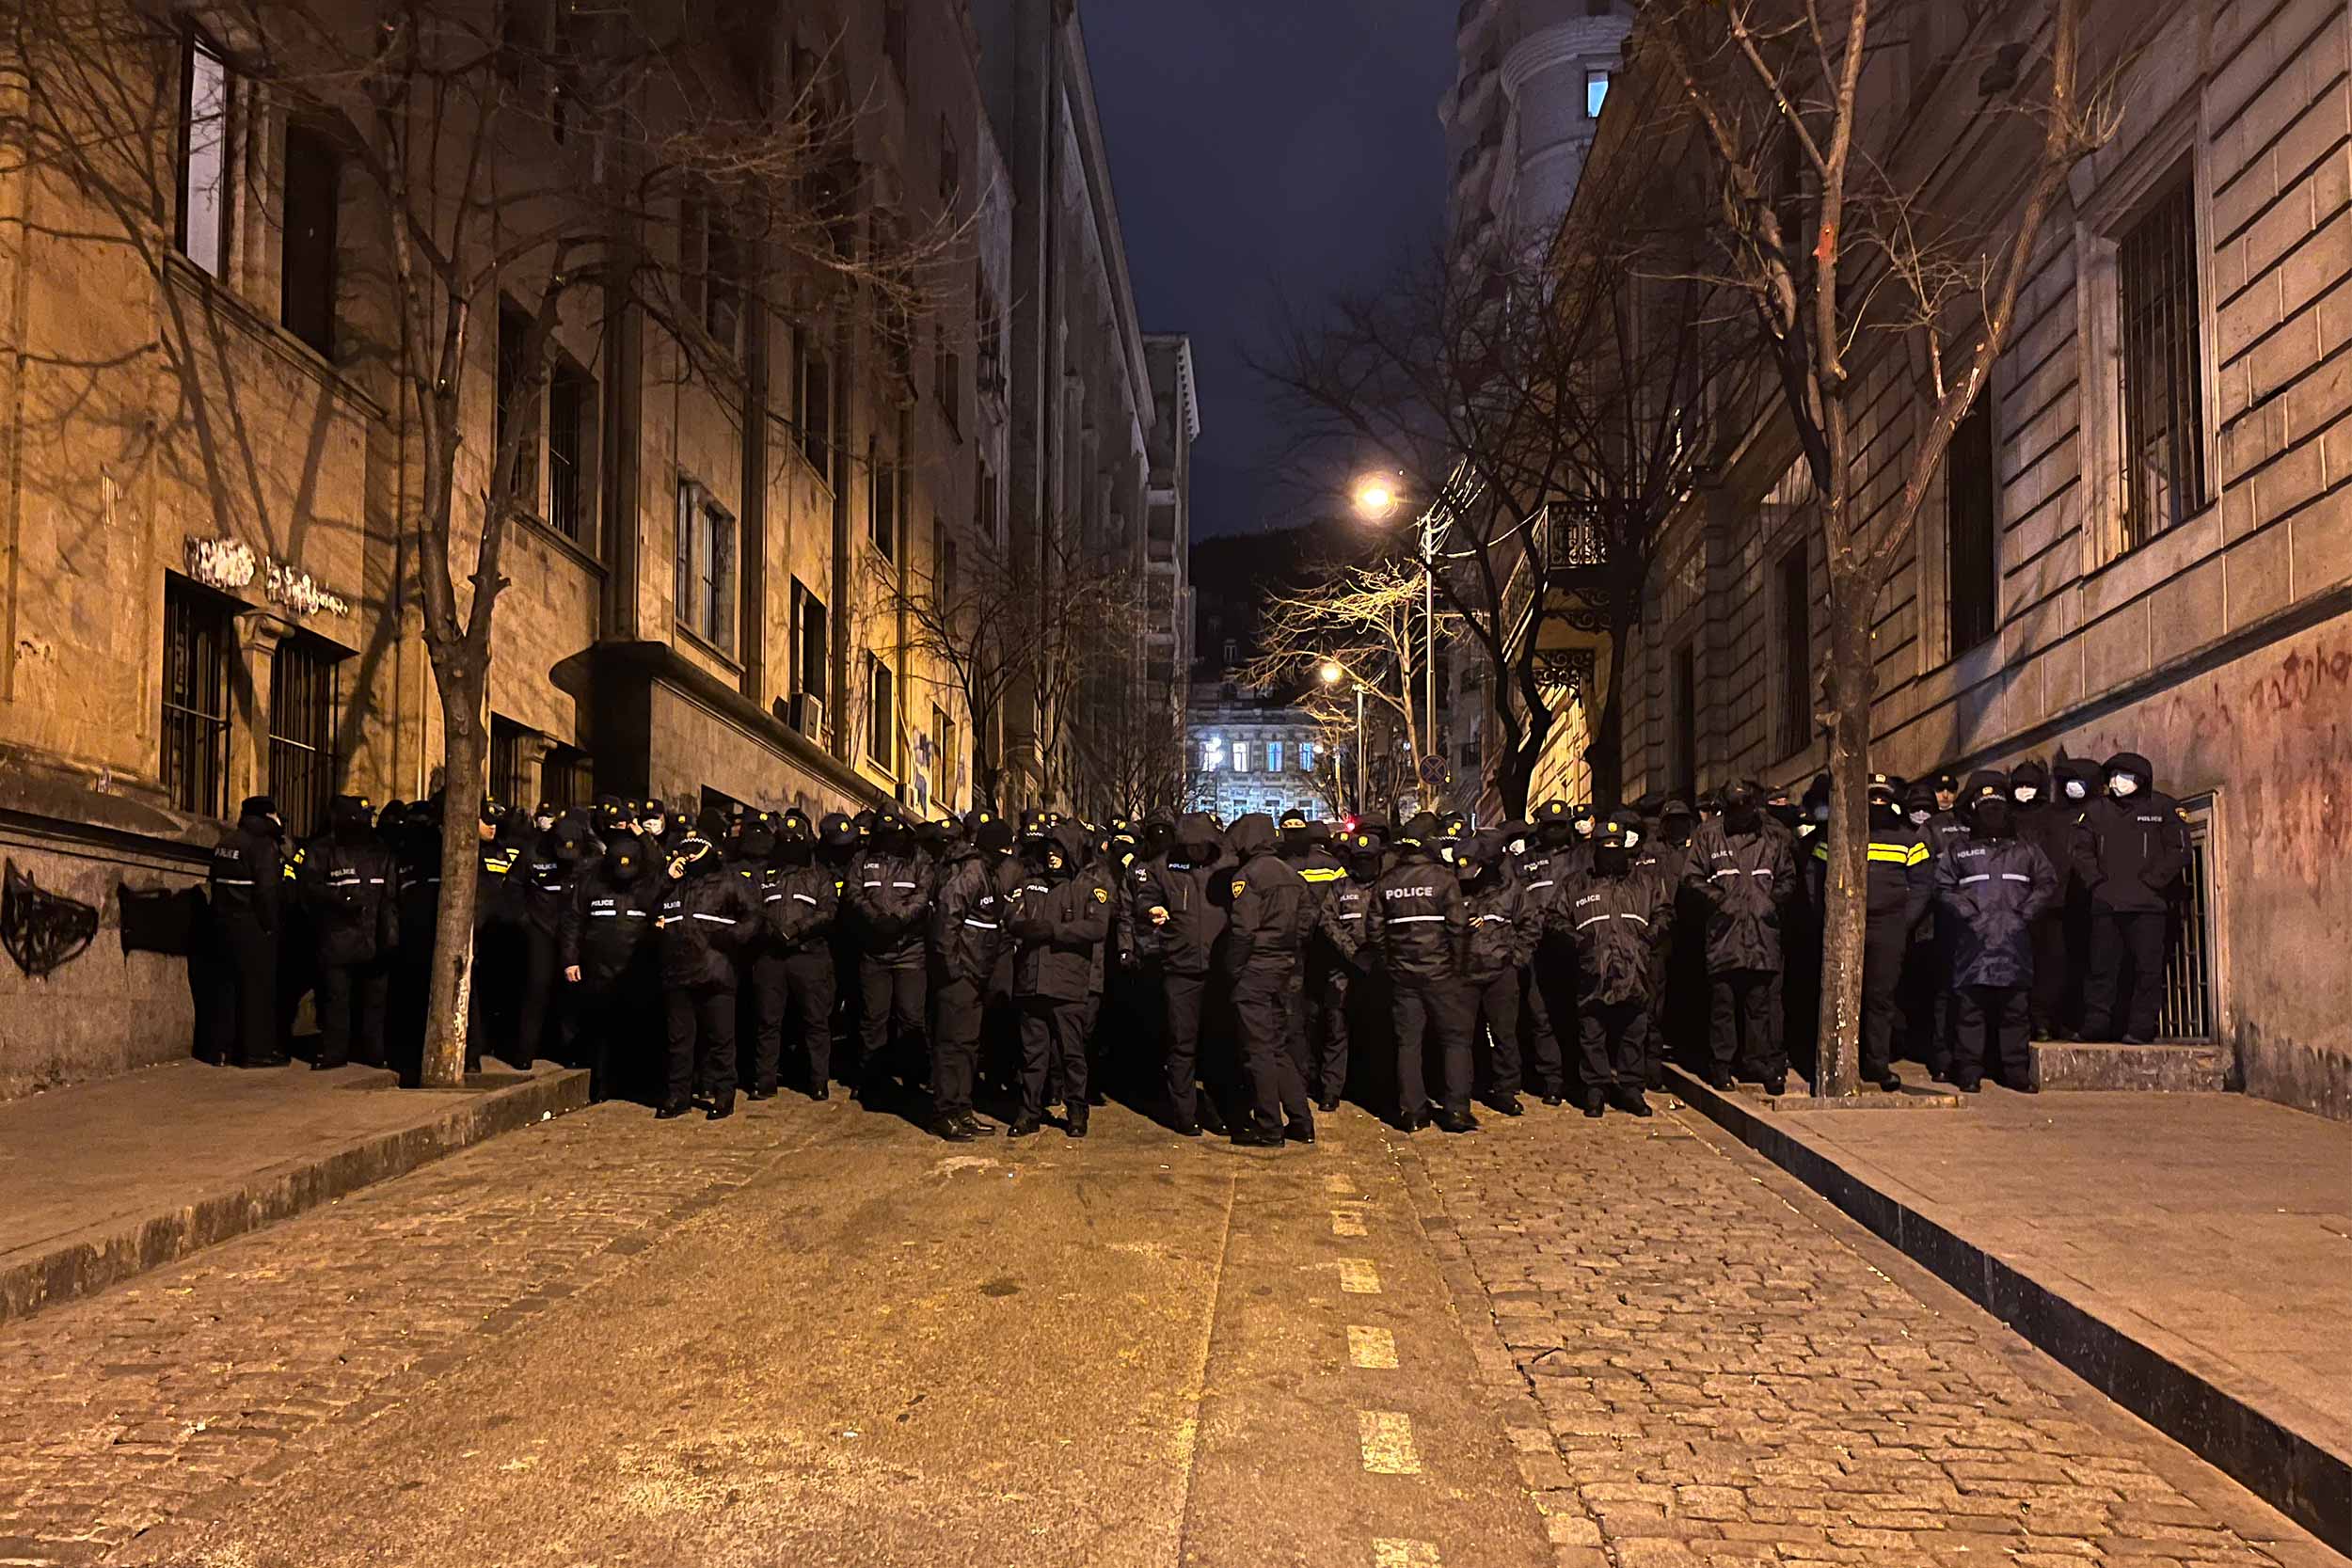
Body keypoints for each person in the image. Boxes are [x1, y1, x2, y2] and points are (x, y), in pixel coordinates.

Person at [1938, 772, 2059, 1090]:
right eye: (1985, 807)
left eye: (1998, 807)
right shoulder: (1959, 851)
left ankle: (2015, 1073)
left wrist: (2025, 914)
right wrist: (1968, 915)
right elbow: (1942, 885)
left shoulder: (2026, 850)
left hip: (2013, 946)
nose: (1992, 814)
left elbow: (2047, 882)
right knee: (1969, 1013)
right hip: (1972, 947)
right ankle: (1969, 1074)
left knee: (2015, 1013)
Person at [1816, 773, 1932, 1091]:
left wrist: (1903, 922)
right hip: (1847, 926)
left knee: (1880, 997)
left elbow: (1923, 886)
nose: (1878, 805)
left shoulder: (1910, 839)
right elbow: (1816, 878)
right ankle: (1840, 1062)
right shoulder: (1840, 836)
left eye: (1884, 800)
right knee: (1843, 994)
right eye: (1873, 800)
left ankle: (1876, 1064)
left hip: (1889, 927)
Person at [1552, 816, 1674, 1117]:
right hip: (1594, 970)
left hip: (1635, 968)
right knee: (1592, 1031)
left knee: (1634, 1030)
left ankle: (1631, 1089)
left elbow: (1665, 913)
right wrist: (1578, 942)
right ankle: (1595, 1089)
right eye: (1604, 846)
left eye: (1615, 846)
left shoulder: (1644, 882)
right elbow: (1554, 919)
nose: (1610, 851)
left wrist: (1648, 940)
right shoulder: (1576, 884)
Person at [1680, 780, 1797, 1094]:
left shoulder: (1771, 836)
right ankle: (1721, 1065)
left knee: (1760, 1003)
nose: (1740, 814)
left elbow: (1787, 877)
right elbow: (1691, 877)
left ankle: (1757, 1062)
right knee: (1724, 1003)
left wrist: (1770, 904)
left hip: (1761, 933)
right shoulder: (1708, 836)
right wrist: (1718, 901)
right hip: (1724, 934)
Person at [1368, 814, 1475, 1132]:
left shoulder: (1386, 882)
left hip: (1403, 975)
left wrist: (1391, 963)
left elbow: (1375, 931)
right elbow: (1458, 929)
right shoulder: (1444, 880)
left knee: (1408, 1043)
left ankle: (1412, 1112)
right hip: (1441, 972)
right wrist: (1457, 968)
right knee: (1455, 1039)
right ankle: (1456, 1110)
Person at [2070, 751, 2187, 1043]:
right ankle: (2097, 1024)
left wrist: (2153, 882)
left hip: (2148, 906)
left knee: (2147, 970)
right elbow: (2080, 850)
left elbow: (2180, 849)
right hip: (2107, 904)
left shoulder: (2163, 808)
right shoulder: (2096, 811)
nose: (2117, 782)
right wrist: (2097, 883)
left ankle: (2141, 1027)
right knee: (2101, 969)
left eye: (2124, 776)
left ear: (2141, 780)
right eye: (2113, 776)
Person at [653, 811, 759, 1119]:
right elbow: (646, 903)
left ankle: (724, 1095)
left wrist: (731, 938)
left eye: (694, 850)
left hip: (716, 971)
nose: (687, 857)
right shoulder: (672, 881)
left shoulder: (729, 880)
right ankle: (678, 1096)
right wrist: (665, 879)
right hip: (677, 972)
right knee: (679, 1042)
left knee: (720, 1039)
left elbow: (753, 915)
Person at [1008, 823, 1111, 1137]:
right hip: (1032, 982)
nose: (1053, 856)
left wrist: (1056, 931)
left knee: (1071, 1053)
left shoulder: (1088, 887)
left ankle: (1077, 1111)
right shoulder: (1031, 883)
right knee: (1032, 1054)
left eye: (1060, 850)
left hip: (1067, 984)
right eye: (1049, 850)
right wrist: (1026, 928)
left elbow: (1097, 928)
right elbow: (1012, 916)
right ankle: (1029, 1113)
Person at [1219, 813, 1316, 1147]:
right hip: (1285, 966)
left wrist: (1234, 969)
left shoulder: (1247, 876)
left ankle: (1269, 1125)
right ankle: (1301, 1120)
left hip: (1256, 968)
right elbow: (1306, 921)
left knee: (1258, 1049)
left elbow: (1243, 929)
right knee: (1278, 1047)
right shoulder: (1290, 873)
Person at [1137, 813, 1232, 1136]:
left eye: (1201, 846)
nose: (1195, 852)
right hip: (1180, 967)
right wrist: (1150, 910)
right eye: (1190, 847)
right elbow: (1146, 895)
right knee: (1182, 1044)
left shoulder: (1225, 864)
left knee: (1218, 1045)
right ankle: (1184, 1113)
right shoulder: (1164, 867)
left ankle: (1218, 1111)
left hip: (1219, 970)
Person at [930, 810, 1014, 1140]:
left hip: (975, 974)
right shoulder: (972, 872)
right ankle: (944, 1113)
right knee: (951, 1046)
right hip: (960, 975)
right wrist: (952, 969)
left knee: (967, 1045)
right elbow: (947, 920)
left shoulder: (987, 872)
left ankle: (961, 1109)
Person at [301, 794, 399, 1071]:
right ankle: (335, 1051)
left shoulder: (382, 851)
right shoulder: (323, 851)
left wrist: (390, 935)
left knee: (374, 1002)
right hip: (338, 937)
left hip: (374, 939)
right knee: (336, 999)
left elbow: (391, 897)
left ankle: (372, 1051)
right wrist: (339, 901)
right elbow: (309, 890)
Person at [560, 830, 656, 1101]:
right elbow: (573, 922)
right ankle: (601, 1086)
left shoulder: (647, 885)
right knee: (600, 1029)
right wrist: (570, 960)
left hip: (637, 969)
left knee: (636, 1027)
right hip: (597, 967)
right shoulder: (591, 883)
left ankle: (634, 1084)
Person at [848, 811, 931, 1102]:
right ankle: (870, 1077)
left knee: (911, 1017)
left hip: (909, 949)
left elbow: (923, 894)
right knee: (873, 1018)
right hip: (874, 950)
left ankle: (913, 1077)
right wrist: (875, 920)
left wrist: (898, 919)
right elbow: (854, 893)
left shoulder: (918, 858)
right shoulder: (862, 859)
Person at [1456, 829, 1534, 1117]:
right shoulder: (1457, 888)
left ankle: (1505, 1090)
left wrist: (1516, 959)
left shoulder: (1510, 891)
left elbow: (1530, 923)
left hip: (1501, 972)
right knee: (1464, 1036)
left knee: (1504, 1034)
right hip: (1464, 974)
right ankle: (1469, 1085)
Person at [207, 796, 288, 1069]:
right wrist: (270, 926)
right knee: (257, 990)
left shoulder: (225, 843)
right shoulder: (263, 846)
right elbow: (267, 892)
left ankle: (221, 1050)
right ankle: (256, 1051)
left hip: (221, 923)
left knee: (225, 988)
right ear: (268, 816)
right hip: (251, 925)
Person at [1513, 800, 1581, 1106]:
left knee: (1575, 1014)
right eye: (1549, 826)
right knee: (1541, 1017)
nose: (1554, 831)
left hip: (1574, 946)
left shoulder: (1582, 857)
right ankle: (1552, 1079)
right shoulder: (1524, 862)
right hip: (1536, 947)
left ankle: (1576, 1077)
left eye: (1559, 826)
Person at [1311, 827, 1385, 1112]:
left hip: (1377, 971)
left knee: (1375, 1033)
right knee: (1336, 1032)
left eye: (1369, 859)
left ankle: (1371, 1088)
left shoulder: (1386, 886)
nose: (1364, 865)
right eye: (1359, 859)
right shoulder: (1339, 887)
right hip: (1342, 971)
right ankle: (1331, 1090)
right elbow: (1327, 921)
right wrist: (1353, 953)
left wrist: (1376, 954)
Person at [2007, 759, 2073, 1038]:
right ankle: (2027, 1021)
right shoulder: (2006, 818)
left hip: (2050, 904)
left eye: (2030, 786)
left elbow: (2060, 858)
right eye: (2020, 786)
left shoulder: (2053, 817)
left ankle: (2047, 1018)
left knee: (2053, 964)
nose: (2024, 791)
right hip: (2014, 905)